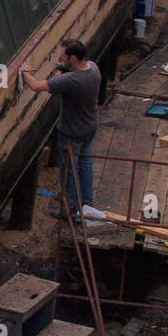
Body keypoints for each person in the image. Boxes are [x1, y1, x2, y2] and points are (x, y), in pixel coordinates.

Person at [21, 40, 101, 218]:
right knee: (85, 164)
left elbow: (35, 86)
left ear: (72, 58)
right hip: (90, 126)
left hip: (72, 133)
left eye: (63, 57)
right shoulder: (93, 68)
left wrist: (25, 71)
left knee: (70, 171)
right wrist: (62, 71)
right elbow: (63, 79)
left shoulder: (72, 80)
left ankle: (71, 209)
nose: (60, 59)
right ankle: (87, 204)